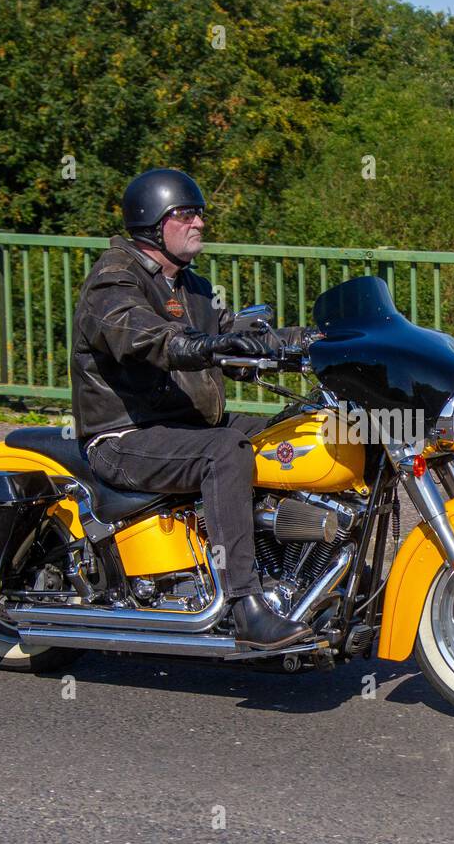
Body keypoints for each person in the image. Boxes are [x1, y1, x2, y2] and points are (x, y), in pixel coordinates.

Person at [70, 168, 320, 649]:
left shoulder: (189, 287)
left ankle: (301, 572)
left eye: (200, 214)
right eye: (185, 214)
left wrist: (313, 341)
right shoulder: (113, 281)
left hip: (183, 426)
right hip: (125, 438)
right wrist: (202, 345)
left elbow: (240, 333)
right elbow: (142, 334)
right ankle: (243, 605)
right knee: (226, 452)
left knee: (298, 430)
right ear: (152, 222)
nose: (199, 223)